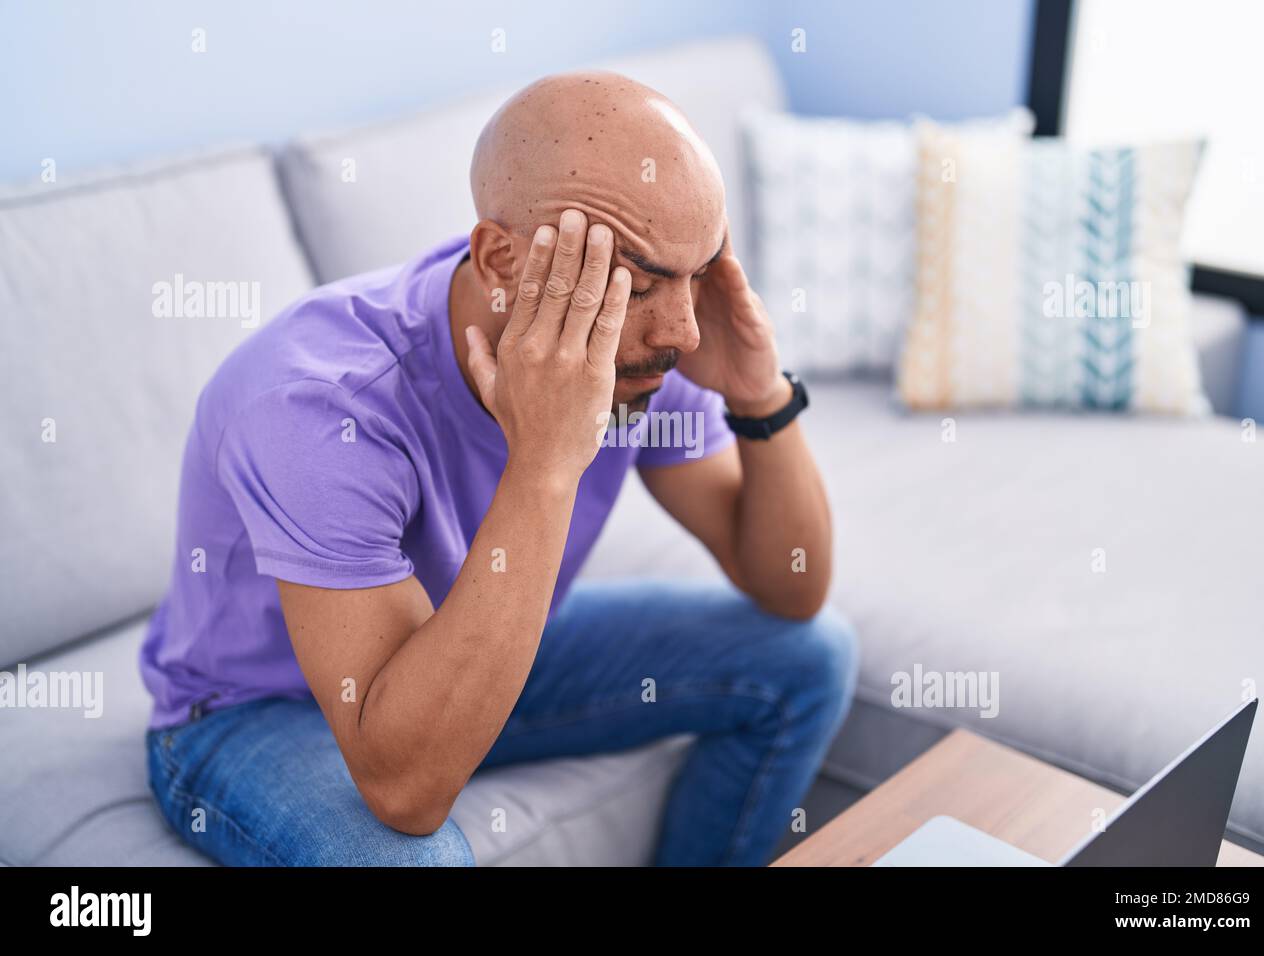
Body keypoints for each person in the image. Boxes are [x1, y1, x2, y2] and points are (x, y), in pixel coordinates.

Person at [140, 70, 858, 866]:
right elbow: (407, 792)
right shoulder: (315, 406)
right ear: (501, 260)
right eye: (645, 282)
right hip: (260, 710)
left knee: (809, 658)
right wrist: (548, 458)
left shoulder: (647, 344)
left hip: (486, 637)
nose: (684, 329)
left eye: (698, 271)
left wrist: (760, 395)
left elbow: (790, 587)